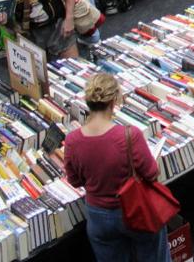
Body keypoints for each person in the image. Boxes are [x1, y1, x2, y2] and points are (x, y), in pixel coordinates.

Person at [63, 72, 170, 262]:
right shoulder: (130, 135)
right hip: (135, 209)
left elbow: (75, 180)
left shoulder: (72, 140)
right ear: (114, 101)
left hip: (98, 217)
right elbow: (152, 174)